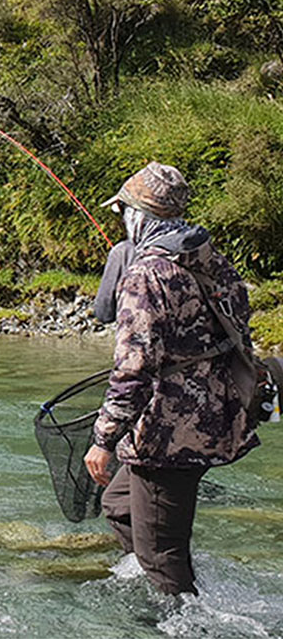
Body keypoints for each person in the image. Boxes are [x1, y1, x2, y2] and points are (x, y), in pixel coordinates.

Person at [83, 161, 259, 596]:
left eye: (123, 212)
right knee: (120, 504)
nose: (122, 220)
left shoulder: (145, 275)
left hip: (170, 431)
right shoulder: (213, 260)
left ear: (138, 217)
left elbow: (133, 368)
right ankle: (158, 578)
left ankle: (182, 610)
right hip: (217, 412)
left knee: (162, 555)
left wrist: (104, 440)